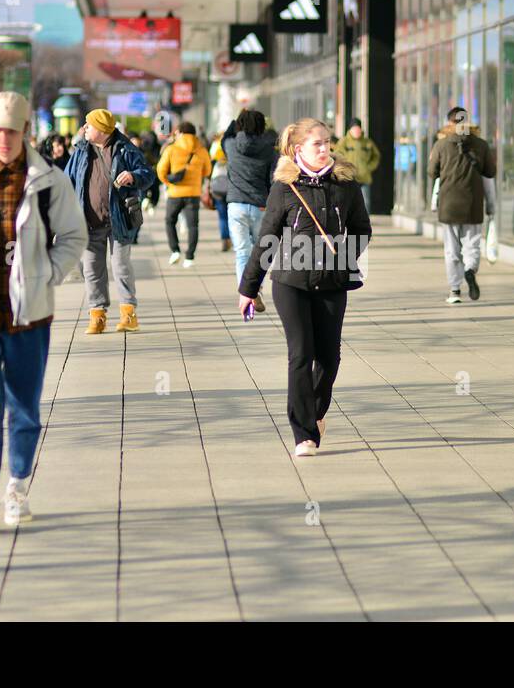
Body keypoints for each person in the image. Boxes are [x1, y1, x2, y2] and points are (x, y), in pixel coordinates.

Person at [0, 91, 86, 530]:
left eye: (12, 131)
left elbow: (74, 235)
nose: (4, 139)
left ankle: (16, 487)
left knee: (25, 405)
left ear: (25, 132)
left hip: (29, 314)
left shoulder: (49, 178)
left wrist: (46, 274)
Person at [238, 118, 372, 458]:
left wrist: (344, 254)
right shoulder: (284, 187)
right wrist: (248, 287)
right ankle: (303, 433)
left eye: (327, 142)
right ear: (299, 149)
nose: (325, 148)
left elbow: (362, 228)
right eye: (317, 144)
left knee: (329, 357)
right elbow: (267, 238)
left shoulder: (346, 183)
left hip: (332, 280)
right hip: (291, 282)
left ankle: (315, 411)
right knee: (301, 354)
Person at [64, 108, 154, 335]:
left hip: (119, 220)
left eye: (89, 125)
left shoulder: (125, 149)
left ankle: (129, 315)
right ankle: (97, 315)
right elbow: (67, 180)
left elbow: (148, 174)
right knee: (91, 269)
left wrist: (134, 176)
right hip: (88, 220)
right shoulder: (81, 151)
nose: (84, 129)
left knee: (121, 267)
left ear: (102, 130)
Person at [428, 107, 496, 305]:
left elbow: (432, 173)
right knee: (472, 245)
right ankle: (470, 270)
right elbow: (490, 173)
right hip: (473, 204)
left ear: (450, 123)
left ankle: (455, 290)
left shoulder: (441, 145)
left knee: (451, 250)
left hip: (449, 205)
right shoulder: (481, 145)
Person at [224, 109, 278, 311]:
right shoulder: (269, 149)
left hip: (236, 204)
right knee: (260, 251)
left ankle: (247, 293)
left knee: (241, 252)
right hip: (260, 204)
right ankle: (256, 290)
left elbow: (225, 136)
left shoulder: (230, 145)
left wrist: (236, 121)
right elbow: (273, 178)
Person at [156, 121, 212, 268]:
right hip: (193, 193)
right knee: (193, 225)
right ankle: (190, 256)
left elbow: (161, 170)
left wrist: (168, 184)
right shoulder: (201, 150)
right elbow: (207, 171)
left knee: (170, 221)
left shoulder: (171, 149)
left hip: (175, 193)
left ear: (180, 133)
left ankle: (175, 250)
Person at [333, 118, 380, 211]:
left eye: (358, 129)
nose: (356, 131)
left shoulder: (367, 142)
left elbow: (376, 156)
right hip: (349, 177)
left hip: (364, 177)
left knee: (365, 201)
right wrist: (343, 169)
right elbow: (336, 156)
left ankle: (365, 223)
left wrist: (369, 167)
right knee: (348, 201)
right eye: (354, 129)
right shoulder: (344, 142)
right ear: (350, 130)